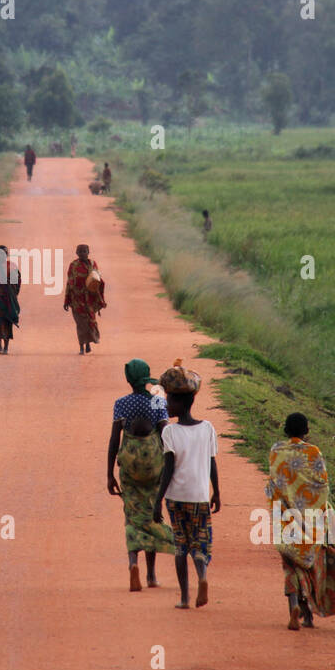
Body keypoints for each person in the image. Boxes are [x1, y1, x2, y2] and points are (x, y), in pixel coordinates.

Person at [267, 412, 335, 630]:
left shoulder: (276, 452)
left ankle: (294, 605)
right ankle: (309, 617)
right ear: (307, 432)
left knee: (292, 565)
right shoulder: (314, 452)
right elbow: (322, 486)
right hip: (312, 519)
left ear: (286, 431)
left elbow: (274, 485)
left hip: (286, 519)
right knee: (311, 566)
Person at [153, 360, 219, 609]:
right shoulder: (207, 428)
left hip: (176, 497)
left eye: (169, 400)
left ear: (180, 403)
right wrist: (217, 492)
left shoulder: (169, 432)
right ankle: (202, 576)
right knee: (200, 542)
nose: (166, 404)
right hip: (200, 495)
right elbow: (212, 463)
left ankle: (184, 597)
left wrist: (158, 500)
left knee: (181, 544)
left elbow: (168, 470)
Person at [107, 359, 176, 591]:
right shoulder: (157, 402)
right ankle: (151, 575)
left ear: (128, 380)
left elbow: (114, 440)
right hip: (154, 465)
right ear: (147, 379)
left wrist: (109, 474)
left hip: (129, 466)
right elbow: (166, 433)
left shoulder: (121, 404)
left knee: (132, 514)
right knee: (151, 512)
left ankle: (132, 563)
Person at [63, 243, 105, 354]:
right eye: (80, 252)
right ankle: (81, 347)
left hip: (89, 300)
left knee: (90, 322)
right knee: (81, 324)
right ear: (77, 253)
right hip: (77, 300)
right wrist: (66, 300)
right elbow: (69, 283)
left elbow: (97, 280)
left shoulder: (93, 264)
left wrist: (98, 296)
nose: (82, 254)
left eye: (84, 251)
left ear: (88, 252)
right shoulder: (73, 265)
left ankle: (87, 344)